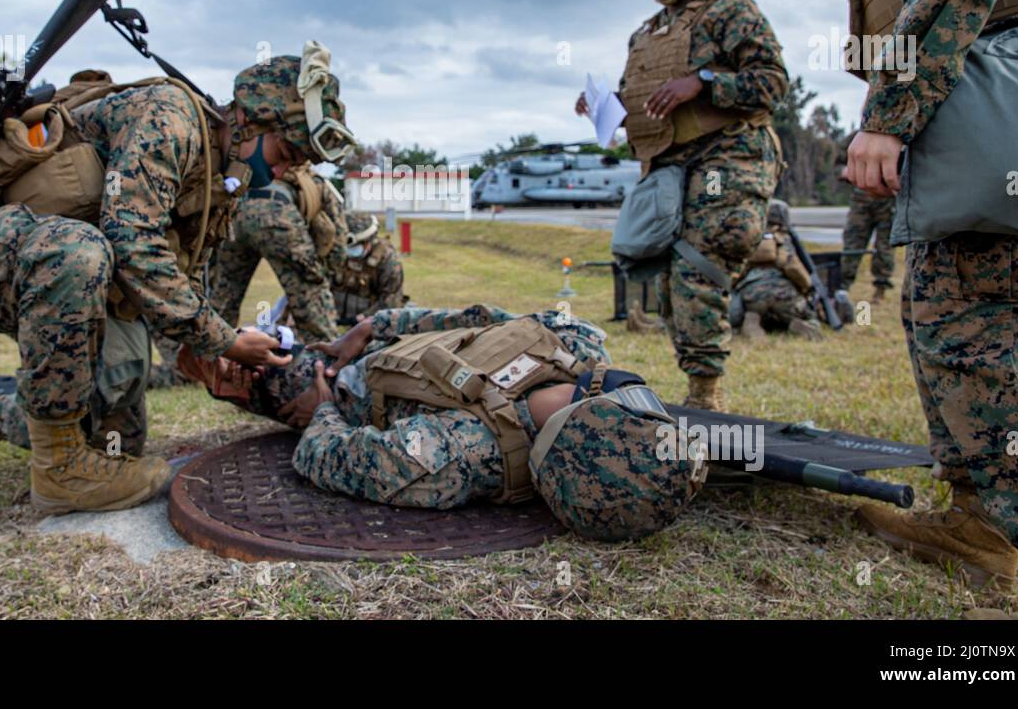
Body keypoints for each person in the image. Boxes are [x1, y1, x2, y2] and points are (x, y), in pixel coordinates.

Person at [765, 0, 1018, 618]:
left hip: (1006, 108)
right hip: (982, 111)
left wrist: (892, 114)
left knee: (997, 343)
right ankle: (984, 524)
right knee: (944, 318)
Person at [0, 43, 352, 515]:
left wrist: (199, 351)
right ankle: (59, 470)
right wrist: (222, 340)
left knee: (115, 440)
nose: (278, 172)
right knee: (78, 250)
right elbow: (132, 241)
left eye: (291, 165)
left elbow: (178, 270)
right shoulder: (171, 119)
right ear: (249, 118)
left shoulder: (226, 173)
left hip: (61, 266)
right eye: (282, 153)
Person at [184, 305, 705, 541]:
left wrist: (321, 406)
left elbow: (322, 455)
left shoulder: (460, 455)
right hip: (386, 349)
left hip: (345, 392)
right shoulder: (576, 344)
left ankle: (220, 371)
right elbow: (477, 318)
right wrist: (372, 326)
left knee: (250, 364)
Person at [577, 0, 788, 410]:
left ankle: (704, 398)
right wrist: (605, 110)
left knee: (698, 267)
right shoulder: (647, 34)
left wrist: (704, 83)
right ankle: (699, 387)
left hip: (729, 158)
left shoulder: (732, 10)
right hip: (672, 168)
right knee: (670, 277)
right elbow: (647, 108)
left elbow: (772, 84)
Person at [208, 159, 350, 346]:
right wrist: (323, 273)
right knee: (313, 305)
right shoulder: (317, 182)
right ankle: (324, 361)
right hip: (277, 216)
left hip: (237, 214)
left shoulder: (256, 170)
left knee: (223, 299)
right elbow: (338, 238)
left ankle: (210, 357)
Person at [731, 200, 824, 341]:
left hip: (752, 296)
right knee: (807, 314)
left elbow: (735, 273)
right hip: (784, 294)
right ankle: (794, 322)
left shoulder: (749, 239)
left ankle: (753, 319)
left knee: (747, 310)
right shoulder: (783, 241)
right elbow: (794, 269)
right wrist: (807, 289)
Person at [836, 130, 895, 303]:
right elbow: (837, 165)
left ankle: (880, 289)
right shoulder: (856, 138)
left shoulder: (896, 135)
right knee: (852, 243)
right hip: (861, 201)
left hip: (888, 202)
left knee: (885, 246)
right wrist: (845, 172)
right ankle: (842, 287)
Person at [331, 212, 407, 325]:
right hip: (334, 319)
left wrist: (362, 318)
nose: (348, 250)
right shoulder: (336, 250)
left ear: (368, 242)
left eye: (355, 246)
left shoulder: (387, 260)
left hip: (368, 323)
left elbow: (391, 299)